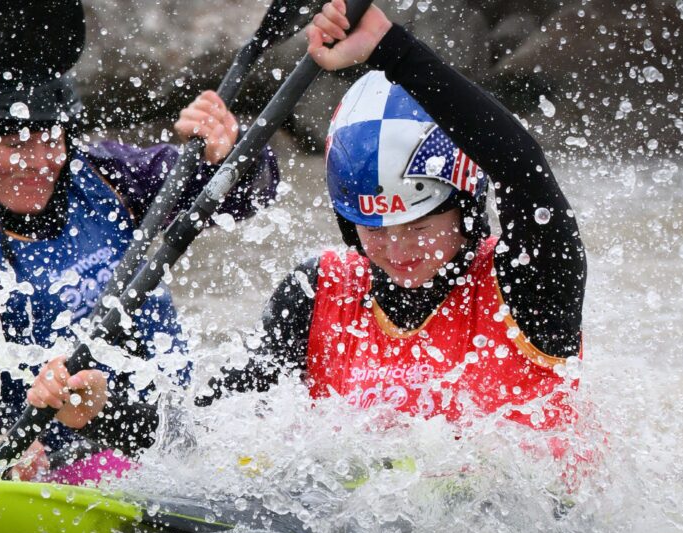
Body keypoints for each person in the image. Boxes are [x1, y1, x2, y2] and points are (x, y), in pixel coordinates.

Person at [190, 1, 586, 453]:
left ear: (466, 208)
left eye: (418, 225)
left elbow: (522, 166)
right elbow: (212, 423)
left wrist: (389, 48)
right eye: (373, 228)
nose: (396, 249)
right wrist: (111, 411)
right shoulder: (316, 291)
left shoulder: (531, 285)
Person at [0, 75, 279, 482]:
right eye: (15, 145)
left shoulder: (103, 175)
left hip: (170, 433)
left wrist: (228, 157)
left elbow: (247, 196)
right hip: (65, 460)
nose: (37, 162)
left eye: (51, 140)